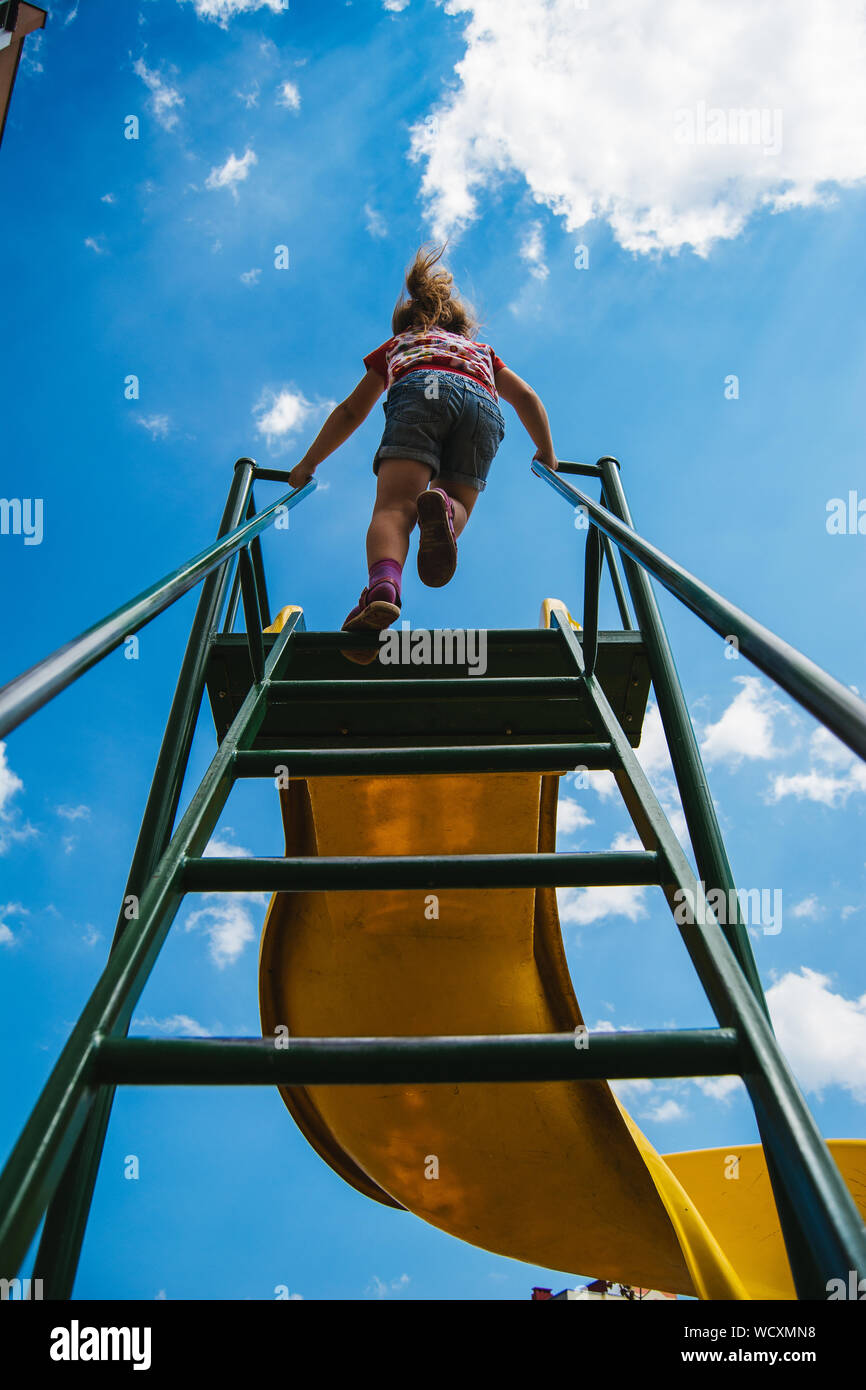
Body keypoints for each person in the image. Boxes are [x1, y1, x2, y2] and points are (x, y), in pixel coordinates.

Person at [286, 244, 559, 661]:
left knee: (395, 508)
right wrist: (546, 451)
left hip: (419, 390)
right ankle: (447, 511)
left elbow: (349, 411)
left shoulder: (398, 345)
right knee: (457, 501)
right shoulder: (483, 353)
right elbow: (526, 396)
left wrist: (308, 463)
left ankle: (384, 585)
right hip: (483, 408)